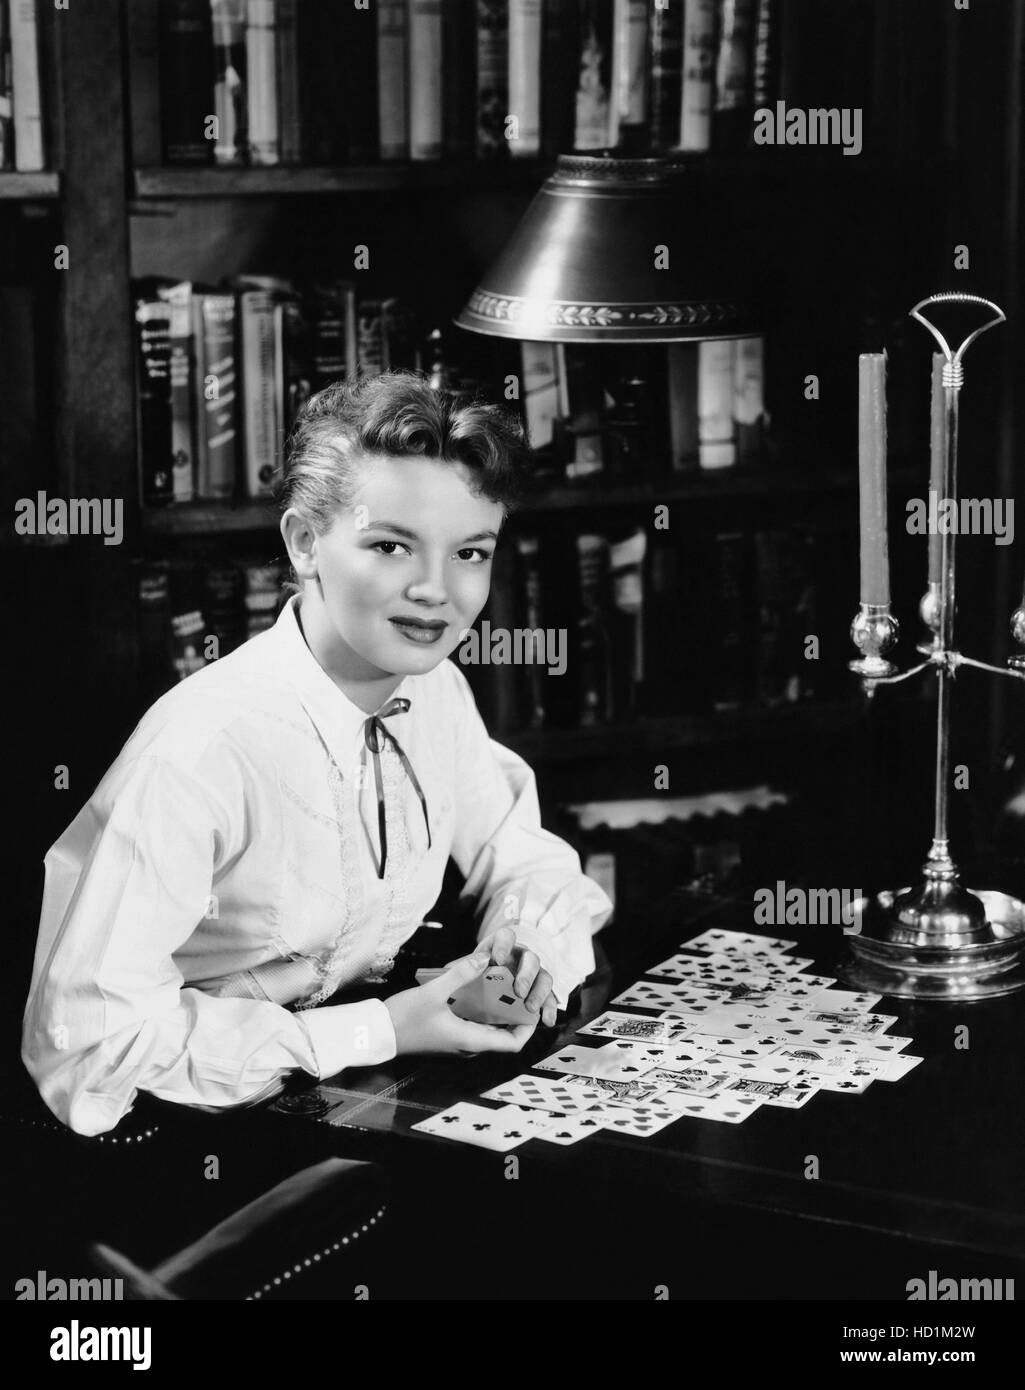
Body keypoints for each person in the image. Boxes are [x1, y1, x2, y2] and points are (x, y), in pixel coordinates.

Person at [22, 372, 612, 1137]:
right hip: (197, 1147)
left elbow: (524, 858)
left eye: (469, 552)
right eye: (391, 545)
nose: (436, 590)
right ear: (304, 543)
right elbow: (86, 1049)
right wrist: (383, 1028)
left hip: (353, 1111)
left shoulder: (435, 693)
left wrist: (521, 944)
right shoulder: (203, 748)